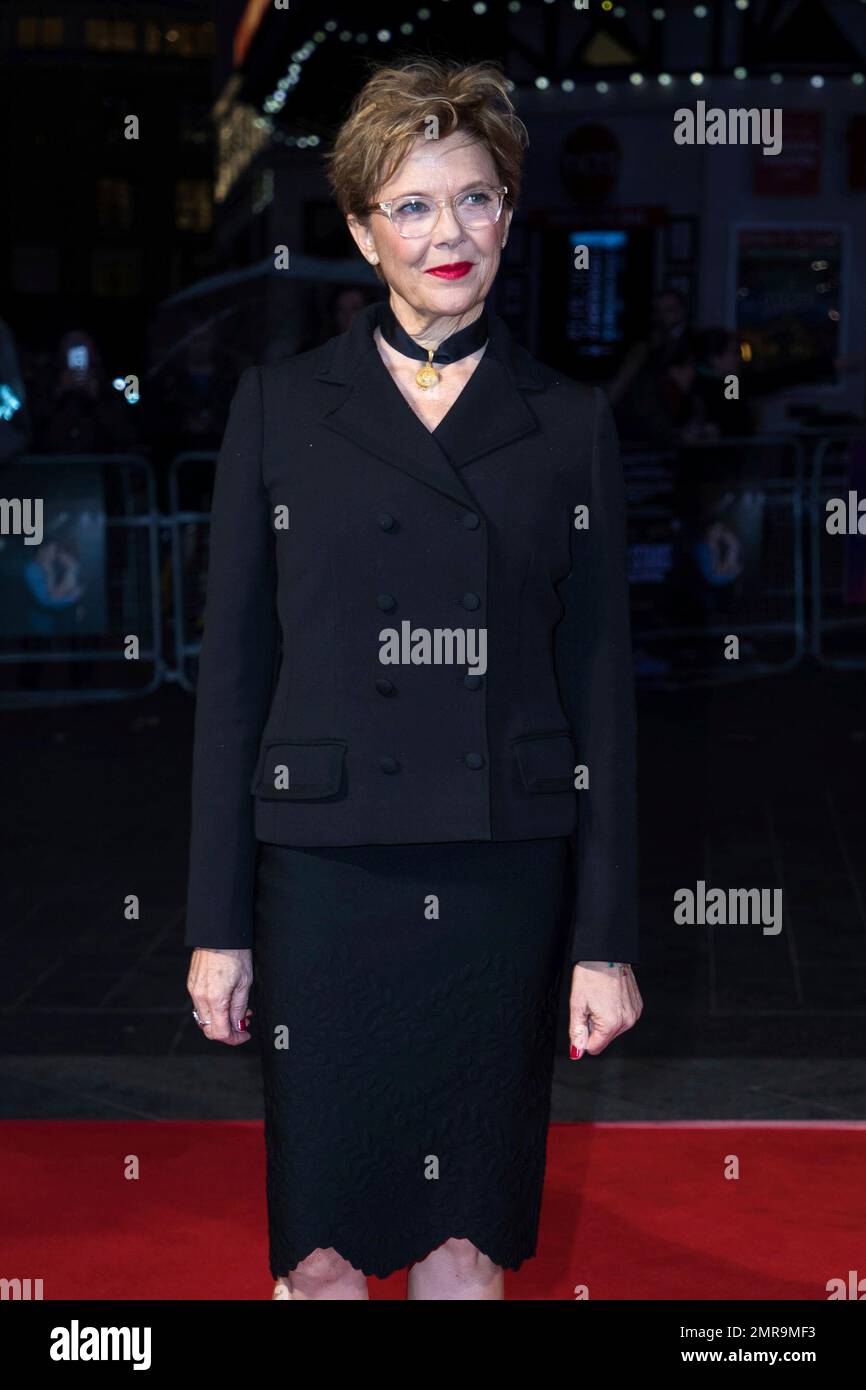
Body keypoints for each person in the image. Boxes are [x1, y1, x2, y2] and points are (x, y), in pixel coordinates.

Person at [185, 57, 641, 1302]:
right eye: (414, 205)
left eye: (478, 198)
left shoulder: (566, 419)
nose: (451, 233)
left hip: (498, 874)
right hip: (326, 878)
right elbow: (233, 681)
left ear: (509, 212)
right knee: (320, 1249)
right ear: (359, 230)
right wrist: (216, 924)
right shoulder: (280, 410)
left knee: (462, 1247)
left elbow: (599, 690)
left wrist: (601, 940)